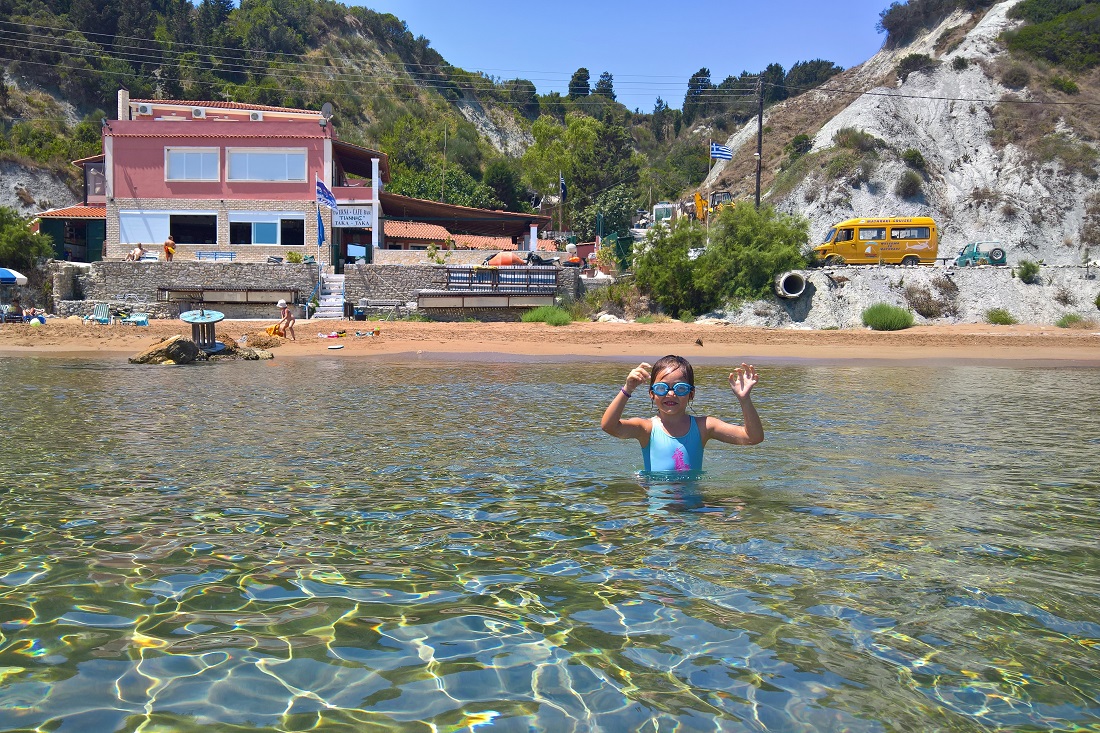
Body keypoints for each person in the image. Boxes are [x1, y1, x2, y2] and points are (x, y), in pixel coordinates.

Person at [601, 354, 763, 473]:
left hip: (694, 505)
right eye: (662, 388)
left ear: (691, 394)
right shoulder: (646, 429)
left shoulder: (704, 427)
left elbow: (752, 438)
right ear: (652, 393)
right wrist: (627, 389)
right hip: (659, 505)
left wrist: (744, 399)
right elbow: (609, 426)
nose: (671, 394)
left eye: (680, 388)